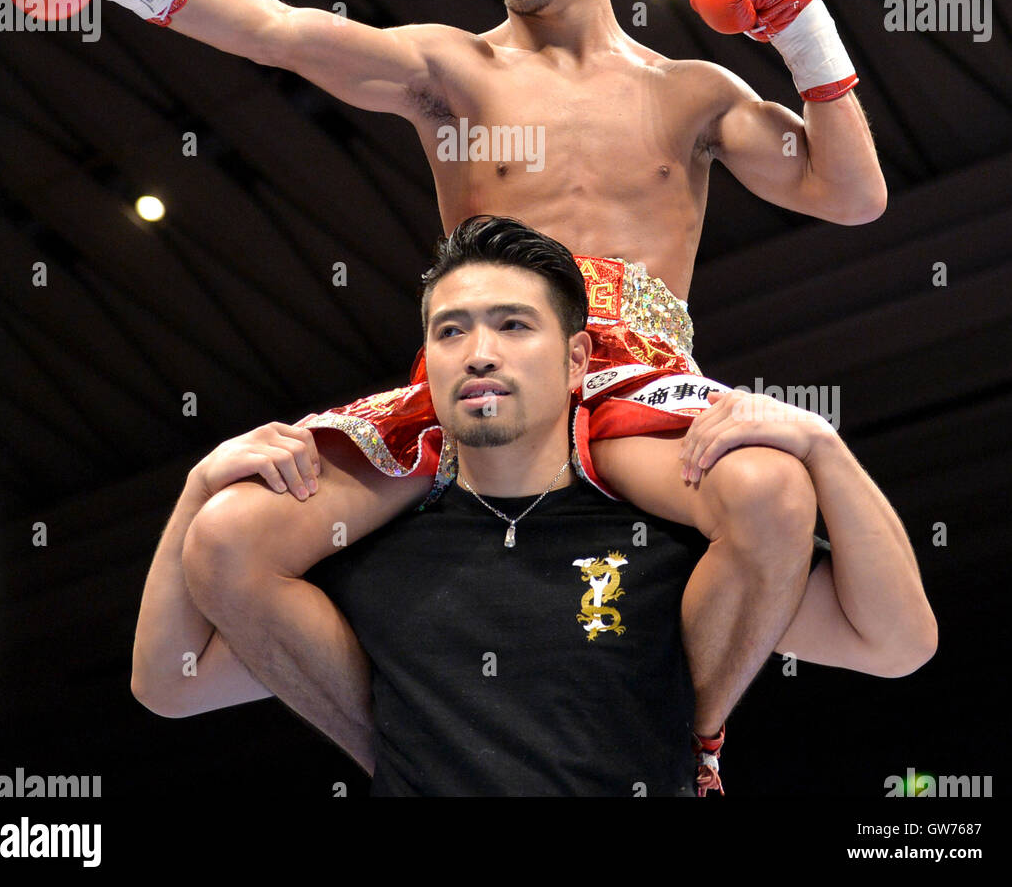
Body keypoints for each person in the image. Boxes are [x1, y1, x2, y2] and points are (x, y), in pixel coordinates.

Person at [4, 0, 888, 779]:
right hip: (481, 381)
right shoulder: (448, 71)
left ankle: (691, 743)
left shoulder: (693, 92)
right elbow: (280, 33)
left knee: (770, 493)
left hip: (635, 385)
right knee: (232, 538)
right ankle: (407, 762)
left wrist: (805, 34)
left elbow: (847, 195)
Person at [132, 217, 936, 796]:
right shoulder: (361, 555)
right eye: (452, 331)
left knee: (774, 485)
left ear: (579, 357)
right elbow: (170, 684)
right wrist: (197, 488)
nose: (479, 350)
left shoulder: (670, 539)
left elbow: (897, 643)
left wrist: (826, 451)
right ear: (428, 363)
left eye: (513, 325)